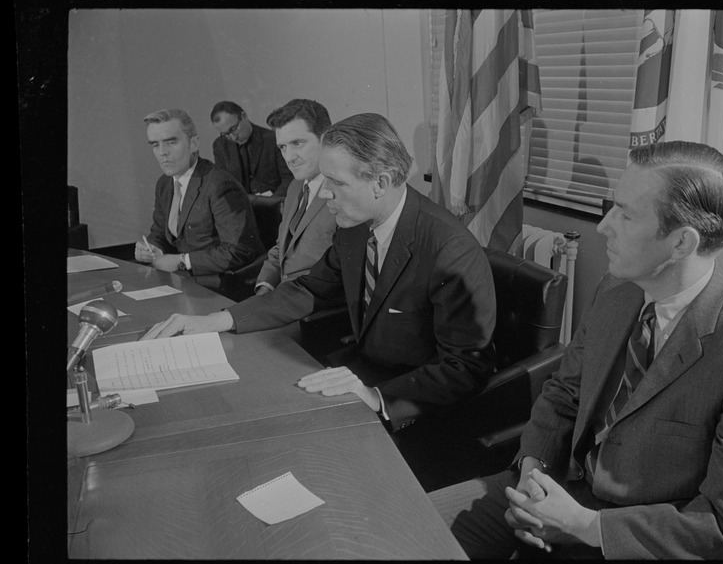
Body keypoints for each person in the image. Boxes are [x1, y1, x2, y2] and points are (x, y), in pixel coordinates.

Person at [429, 140, 723, 560]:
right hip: (553, 491)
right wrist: (532, 473)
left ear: (681, 244)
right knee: (389, 529)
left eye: (626, 214)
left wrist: (583, 526)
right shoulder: (617, 291)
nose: (604, 226)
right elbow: (564, 395)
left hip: (634, 542)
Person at [143, 112, 497, 434]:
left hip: (414, 401)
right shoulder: (355, 226)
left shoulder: (449, 248)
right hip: (363, 369)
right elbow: (308, 290)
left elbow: (464, 367)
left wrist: (375, 397)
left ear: (381, 181)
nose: (324, 192)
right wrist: (215, 320)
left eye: (336, 182)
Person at [134, 108, 264, 292]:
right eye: (155, 145)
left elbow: (238, 251)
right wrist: (152, 249)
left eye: (171, 142)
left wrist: (180, 262)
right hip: (182, 277)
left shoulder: (220, 184)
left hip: (216, 283)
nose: (163, 152)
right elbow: (160, 233)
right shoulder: (164, 184)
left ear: (193, 143)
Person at [254, 99, 338, 296]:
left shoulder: (342, 191)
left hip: (316, 307)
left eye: (297, 143)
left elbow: (336, 277)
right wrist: (264, 288)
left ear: (325, 138)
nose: (289, 157)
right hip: (283, 299)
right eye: (282, 147)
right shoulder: (295, 186)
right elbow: (282, 249)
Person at [211, 101, 293, 197]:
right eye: (226, 134)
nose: (233, 137)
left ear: (244, 116)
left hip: (274, 205)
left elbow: (289, 178)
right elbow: (223, 183)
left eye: (233, 129)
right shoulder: (220, 145)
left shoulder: (272, 139)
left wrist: (271, 203)